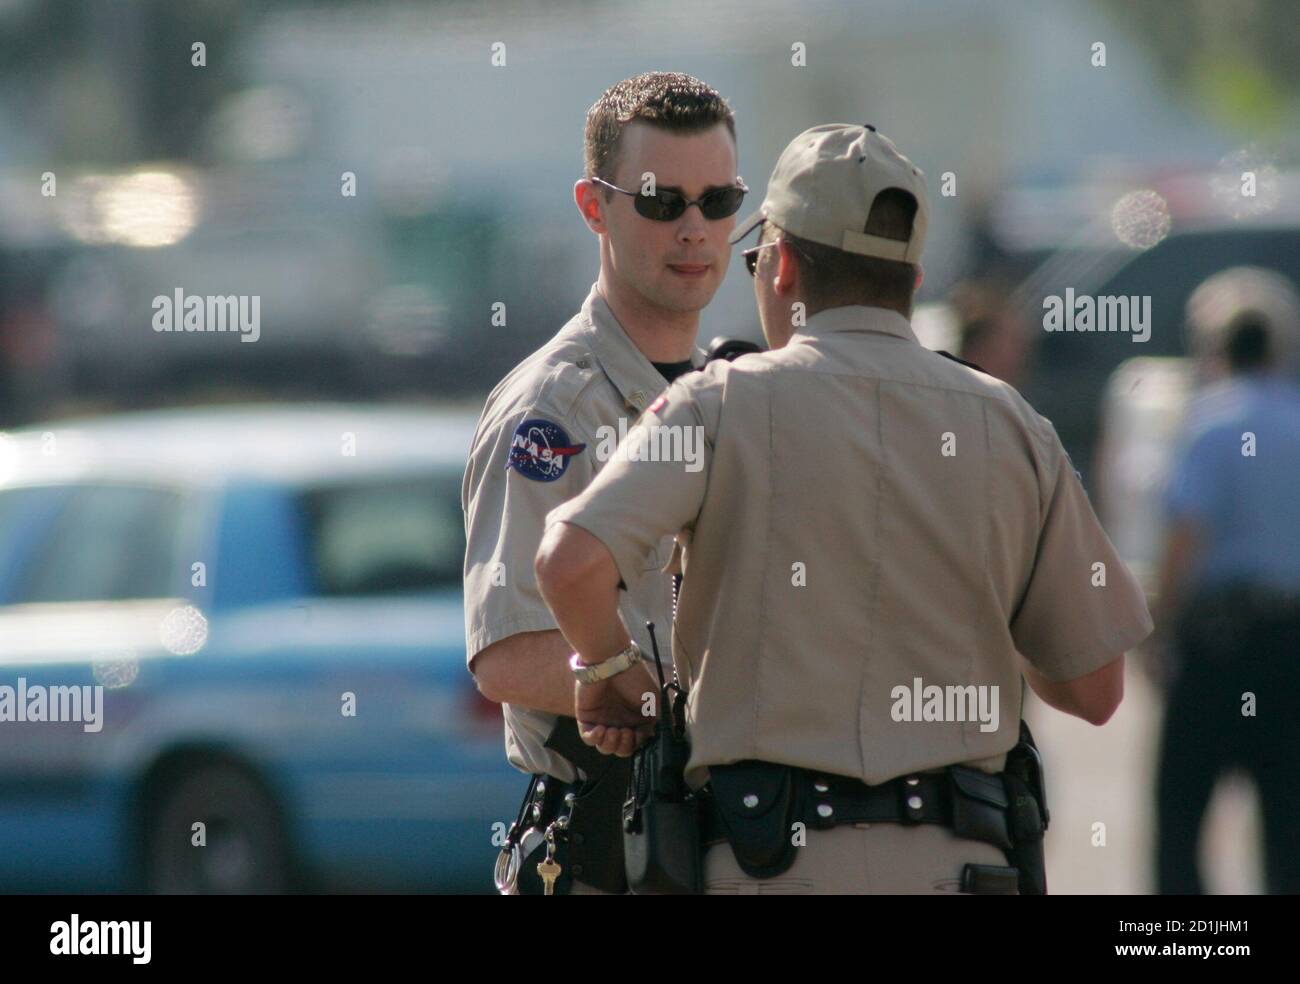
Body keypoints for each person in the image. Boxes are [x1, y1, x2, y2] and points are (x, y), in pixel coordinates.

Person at [534, 123, 1153, 894]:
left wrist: (607, 670)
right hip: (963, 862)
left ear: (784, 265)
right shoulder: (1012, 425)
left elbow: (570, 562)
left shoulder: (716, 405)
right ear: (914, 279)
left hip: (766, 862)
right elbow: (1094, 688)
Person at [461, 71, 745, 894]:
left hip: (728, 835)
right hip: (610, 836)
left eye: (718, 201)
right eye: (661, 202)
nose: (694, 229)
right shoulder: (552, 409)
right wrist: (680, 698)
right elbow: (506, 652)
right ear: (594, 207)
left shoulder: (734, 393)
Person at [1153, 266, 1300, 894]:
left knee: (1182, 813)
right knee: (1289, 818)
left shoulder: (1210, 423)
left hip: (1219, 644)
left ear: (1214, 346)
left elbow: (1186, 535)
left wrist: (1158, 627)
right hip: (1291, 640)